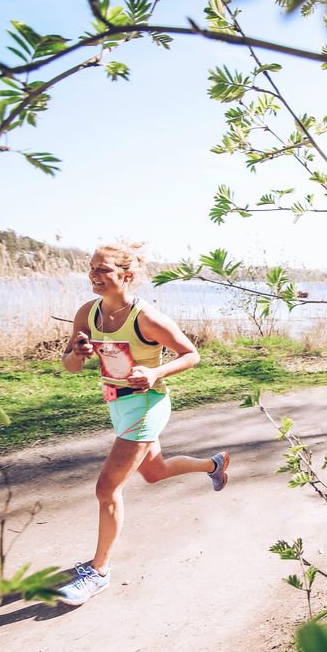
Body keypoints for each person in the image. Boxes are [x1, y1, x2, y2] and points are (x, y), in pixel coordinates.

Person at [57, 242, 230, 606]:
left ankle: (98, 572)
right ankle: (214, 465)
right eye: (91, 268)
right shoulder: (87, 314)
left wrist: (155, 372)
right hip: (117, 404)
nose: (94, 275)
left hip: (148, 404)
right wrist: (77, 353)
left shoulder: (146, 318)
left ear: (127, 275)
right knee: (154, 472)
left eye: (103, 269)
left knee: (107, 490)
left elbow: (191, 354)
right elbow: (69, 365)